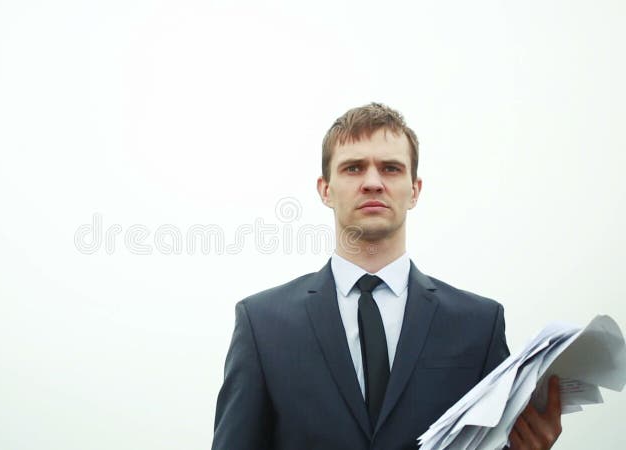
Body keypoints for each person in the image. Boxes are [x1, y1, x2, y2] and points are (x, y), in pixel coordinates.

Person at [211, 103, 562, 450]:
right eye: (353, 168)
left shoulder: (479, 325)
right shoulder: (262, 324)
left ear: (415, 190)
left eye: (391, 168)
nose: (373, 182)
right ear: (325, 189)